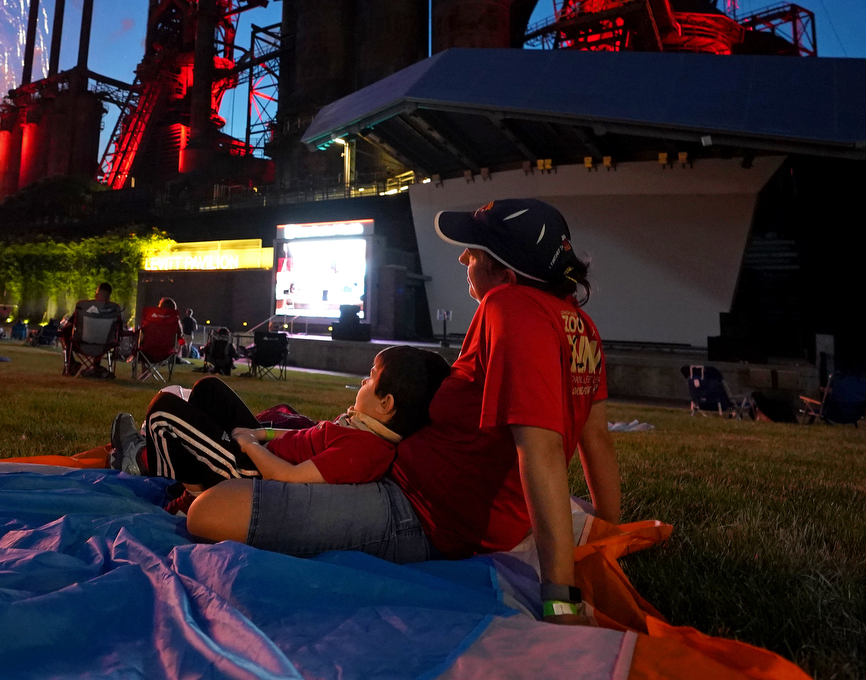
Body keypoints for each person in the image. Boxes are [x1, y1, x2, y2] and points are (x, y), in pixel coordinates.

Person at [187, 198, 620, 627]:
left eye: (475, 251)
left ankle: (216, 454)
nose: (462, 256)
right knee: (251, 416)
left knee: (209, 512)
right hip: (404, 480)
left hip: (419, 513)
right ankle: (217, 440)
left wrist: (560, 600)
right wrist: (610, 532)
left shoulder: (509, 307)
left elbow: (540, 448)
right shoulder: (578, 325)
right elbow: (594, 437)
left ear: (505, 274)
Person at [112, 346, 450, 510]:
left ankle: (153, 466)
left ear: (386, 404)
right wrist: (262, 433)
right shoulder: (361, 428)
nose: (363, 380)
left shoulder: (365, 450)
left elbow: (287, 479)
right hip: (261, 453)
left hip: (252, 475)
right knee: (207, 389)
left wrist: (249, 446)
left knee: (162, 411)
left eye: (371, 377)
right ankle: (190, 484)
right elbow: (308, 436)